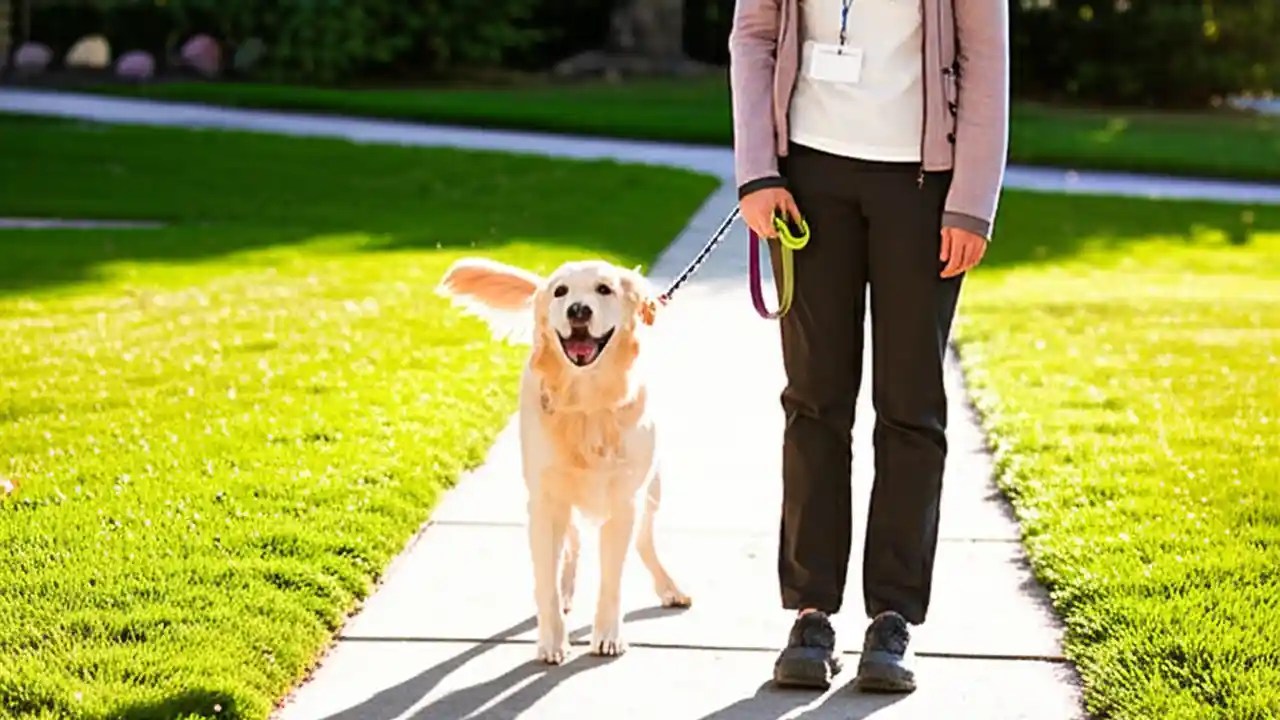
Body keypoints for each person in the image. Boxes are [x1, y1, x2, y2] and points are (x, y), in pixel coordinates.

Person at [727, 0, 1009, 694]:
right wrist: (758, 173)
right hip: (809, 181)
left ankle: (891, 618)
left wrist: (973, 199)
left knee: (911, 406)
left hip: (923, 186)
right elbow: (754, 36)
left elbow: (986, 59)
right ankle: (811, 612)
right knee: (815, 402)